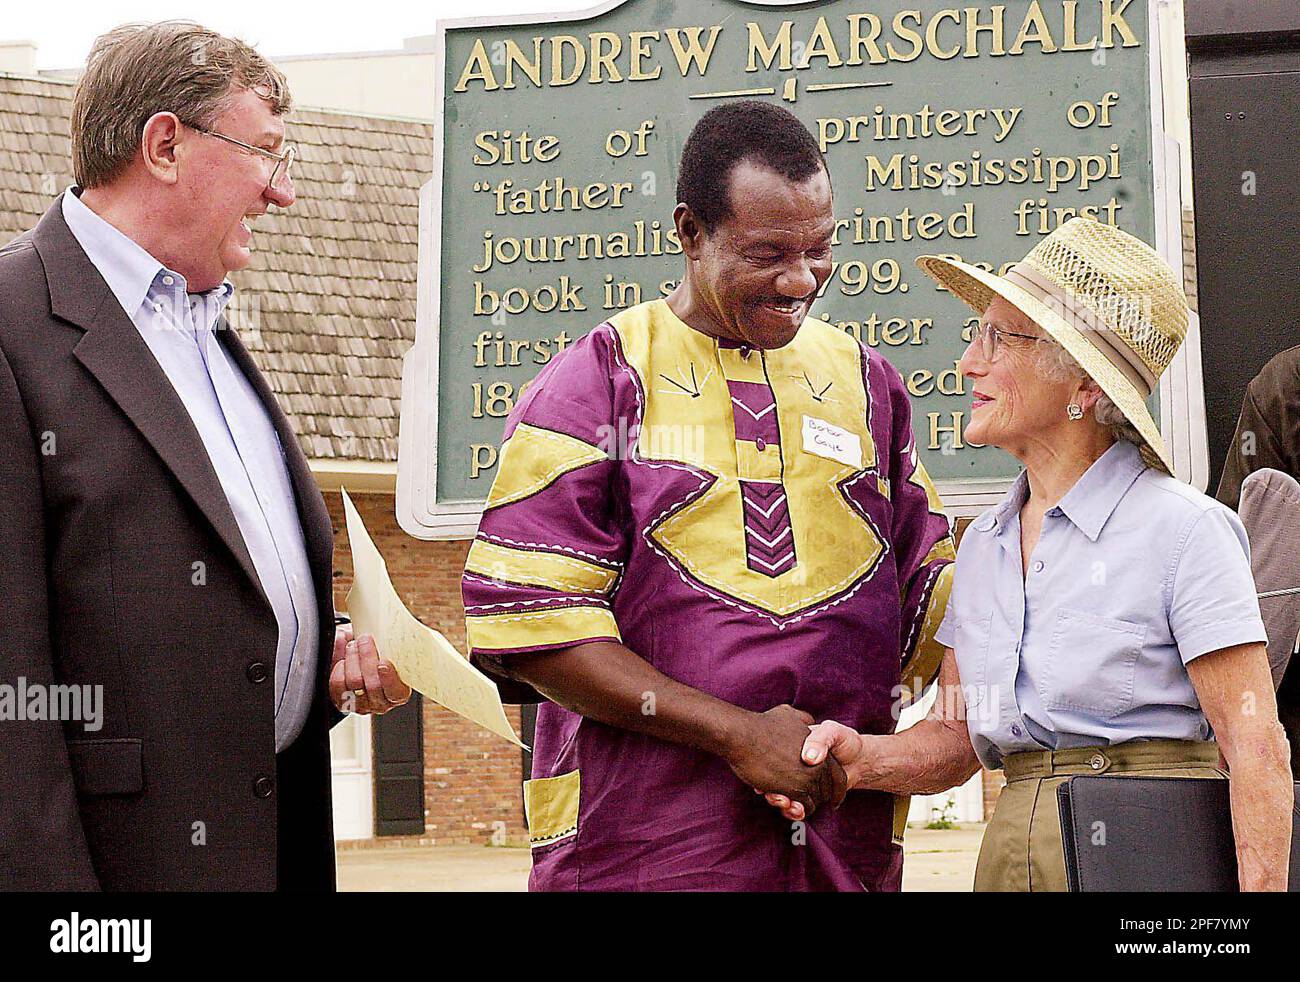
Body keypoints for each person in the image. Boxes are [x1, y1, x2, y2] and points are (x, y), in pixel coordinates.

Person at [460, 101, 955, 891]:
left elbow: (935, 600)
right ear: (691, 232)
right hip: (644, 848)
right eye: (768, 254)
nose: (801, 279)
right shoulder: (596, 382)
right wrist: (737, 735)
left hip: (840, 850)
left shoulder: (871, 388)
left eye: (821, 249)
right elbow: (532, 625)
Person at [765, 218, 1293, 891]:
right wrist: (858, 758)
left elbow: (1254, 746)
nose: (968, 363)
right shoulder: (982, 547)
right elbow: (956, 741)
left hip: (1149, 862)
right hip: (1008, 859)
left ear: (1085, 388)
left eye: (1000, 339)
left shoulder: (1186, 531)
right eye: (976, 335)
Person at [0, 21, 409, 891]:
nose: (284, 191)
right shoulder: (9, 330)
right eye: (265, 152)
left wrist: (313, 663)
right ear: (164, 145)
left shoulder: (207, 327)